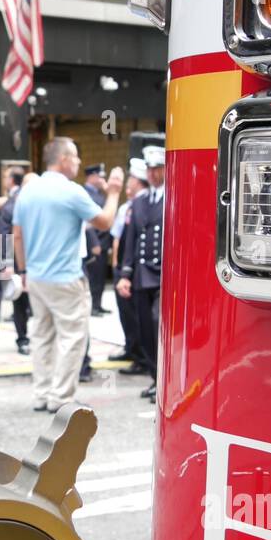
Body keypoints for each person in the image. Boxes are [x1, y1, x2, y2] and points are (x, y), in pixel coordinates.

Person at [12, 137, 123, 413]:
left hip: (35, 276)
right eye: (74, 157)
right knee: (72, 337)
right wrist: (114, 192)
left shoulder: (27, 191)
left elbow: (17, 235)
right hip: (65, 276)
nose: (78, 162)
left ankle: (42, 393)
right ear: (63, 159)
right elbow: (105, 222)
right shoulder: (71, 191)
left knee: (42, 335)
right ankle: (60, 397)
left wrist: (23, 269)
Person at [116, 146, 166, 401]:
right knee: (144, 329)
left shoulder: (173, 197)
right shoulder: (139, 201)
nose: (154, 174)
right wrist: (126, 273)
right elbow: (131, 241)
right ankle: (155, 377)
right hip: (141, 274)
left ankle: (164, 381)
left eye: (158, 168)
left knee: (158, 325)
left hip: (162, 275)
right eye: (150, 169)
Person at [113, 160, 149, 370]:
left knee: (138, 315)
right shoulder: (128, 207)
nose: (129, 182)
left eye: (132, 179)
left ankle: (142, 357)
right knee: (126, 313)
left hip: (138, 271)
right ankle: (132, 349)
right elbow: (120, 238)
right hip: (125, 268)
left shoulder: (143, 205)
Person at [0, 166, 30, 355]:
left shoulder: (12, 204)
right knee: (22, 304)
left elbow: (4, 236)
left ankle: (23, 339)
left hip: (20, 259)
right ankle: (24, 338)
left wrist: (7, 262)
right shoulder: (12, 203)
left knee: (21, 304)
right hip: (28, 259)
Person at [82, 163, 112, 316]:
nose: (102, 179)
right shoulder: (85, 193)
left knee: (101, 275)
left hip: (103, 241)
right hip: (94, 242)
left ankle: (98, 304)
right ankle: (93, 305)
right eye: (99, 176)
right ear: (91, 176)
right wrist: (94, 242)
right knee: (94, 275)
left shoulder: (100, 193)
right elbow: (88, 221)